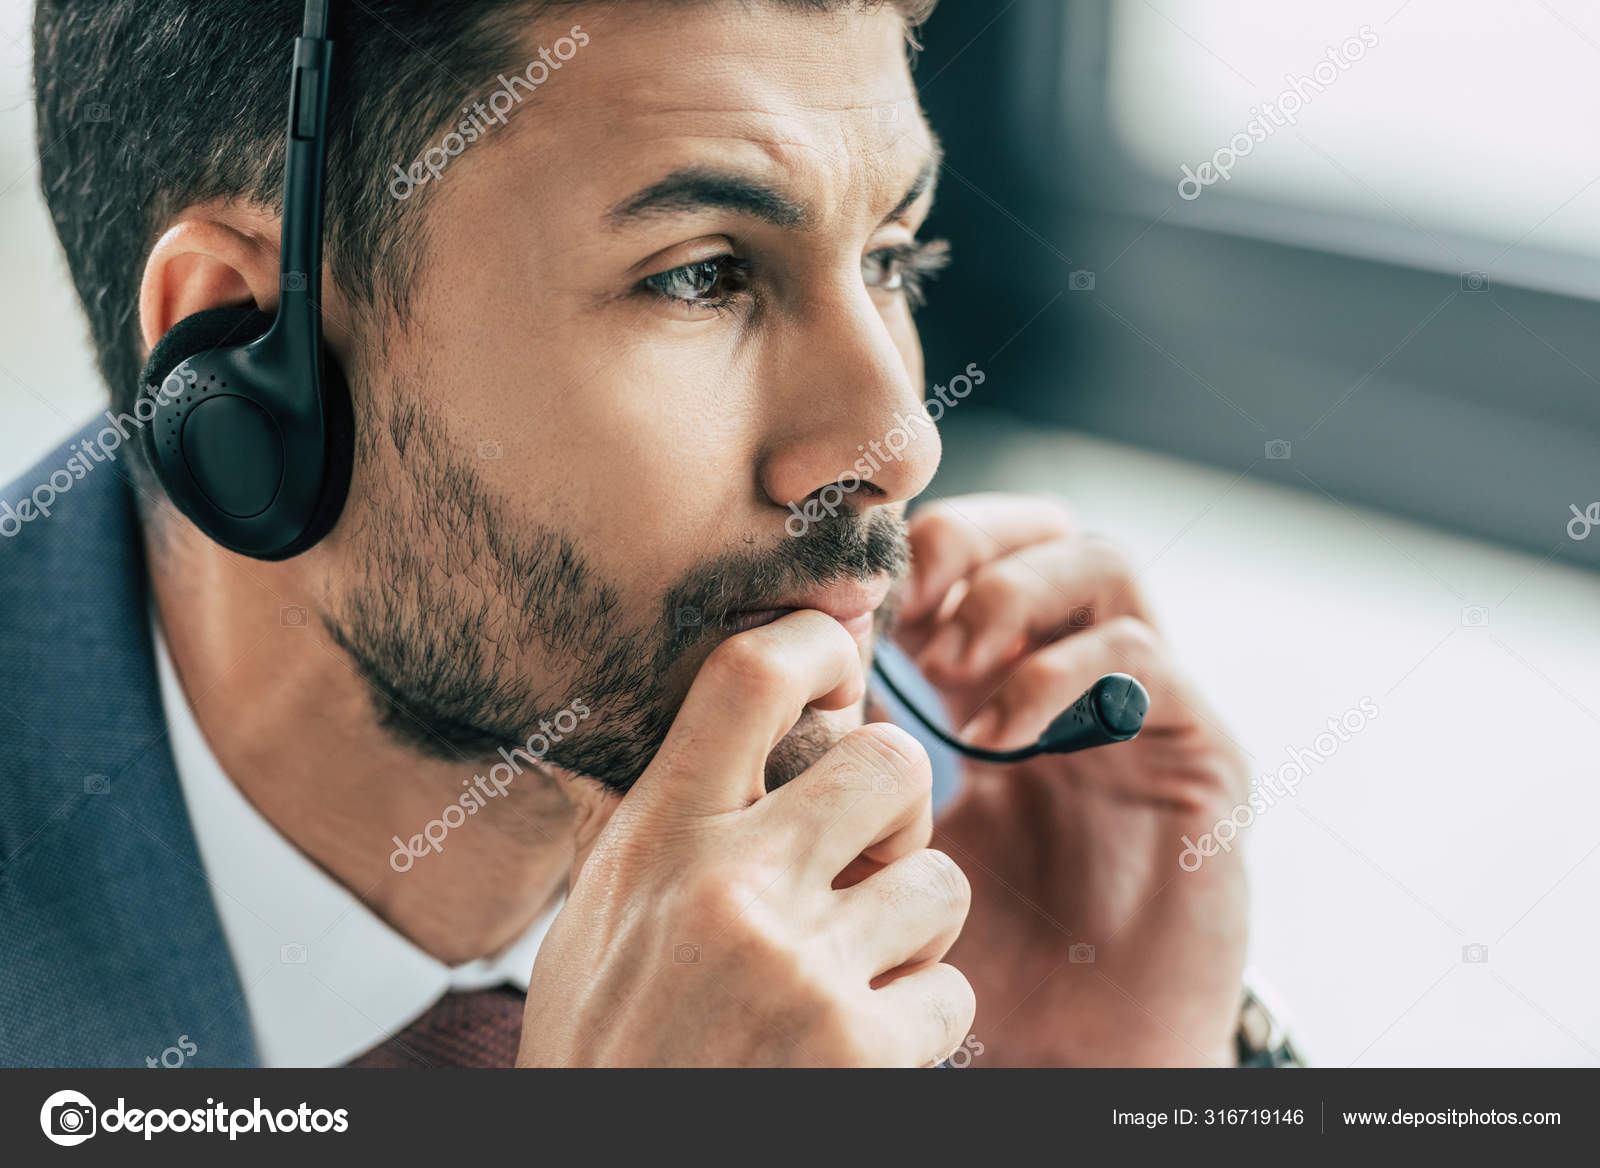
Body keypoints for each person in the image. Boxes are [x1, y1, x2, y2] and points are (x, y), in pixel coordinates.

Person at [1, 0, 1262, 1067]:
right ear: (243, 360)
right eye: (700, 275)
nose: (897, 443)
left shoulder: (965, 847)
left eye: (891, 258)